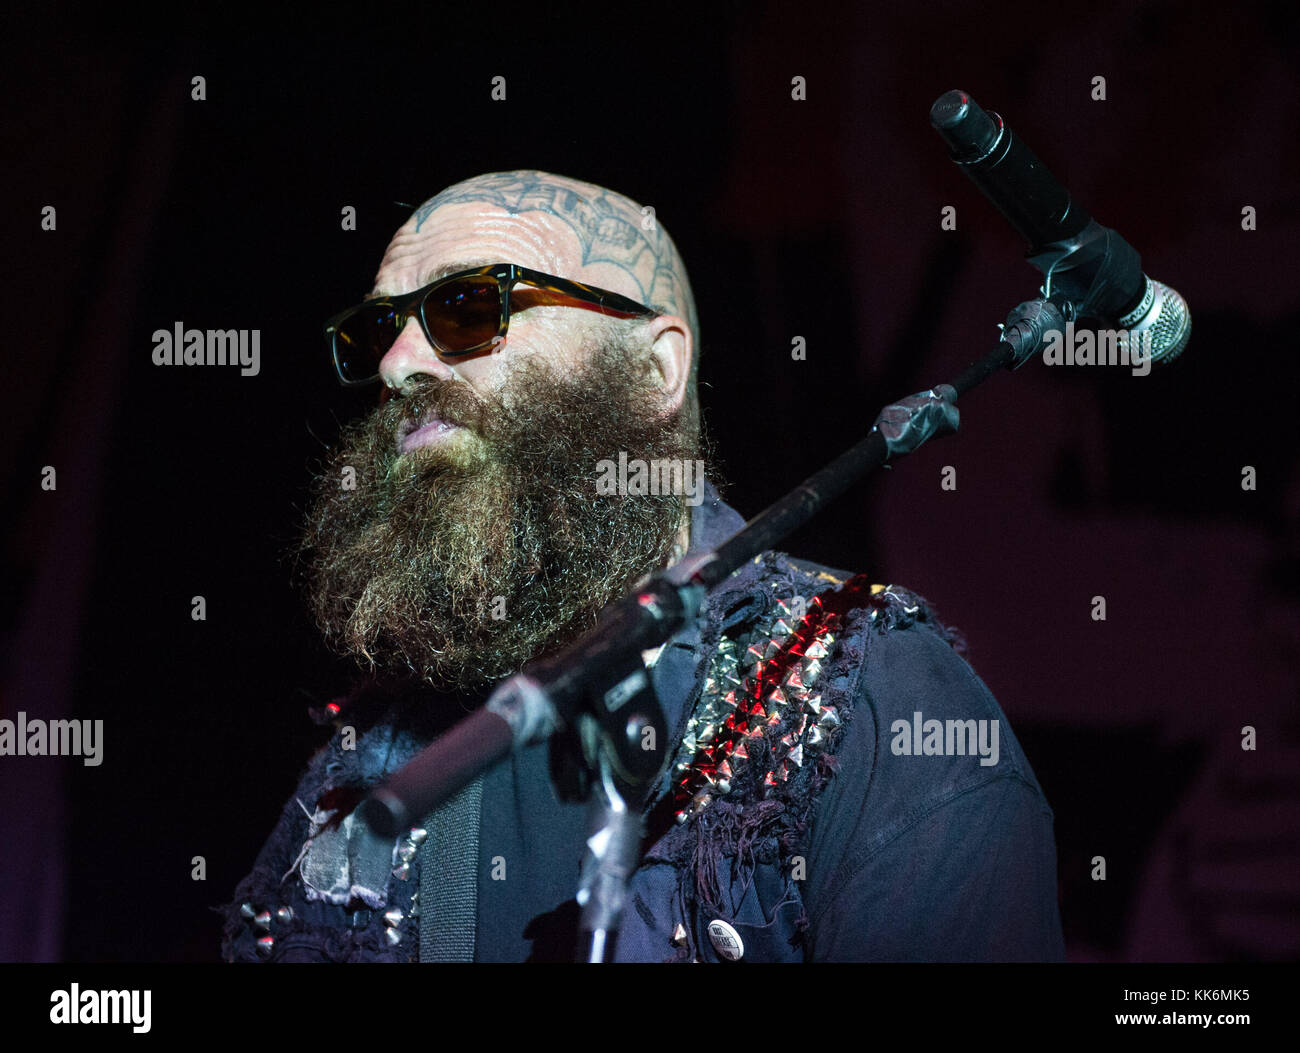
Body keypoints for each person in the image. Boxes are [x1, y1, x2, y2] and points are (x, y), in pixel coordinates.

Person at [221, 170, 1065, 962]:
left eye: (468, 306)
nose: (398, 364)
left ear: (656, 368)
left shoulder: (867, 694)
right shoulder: (377, 744)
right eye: (378, 329)